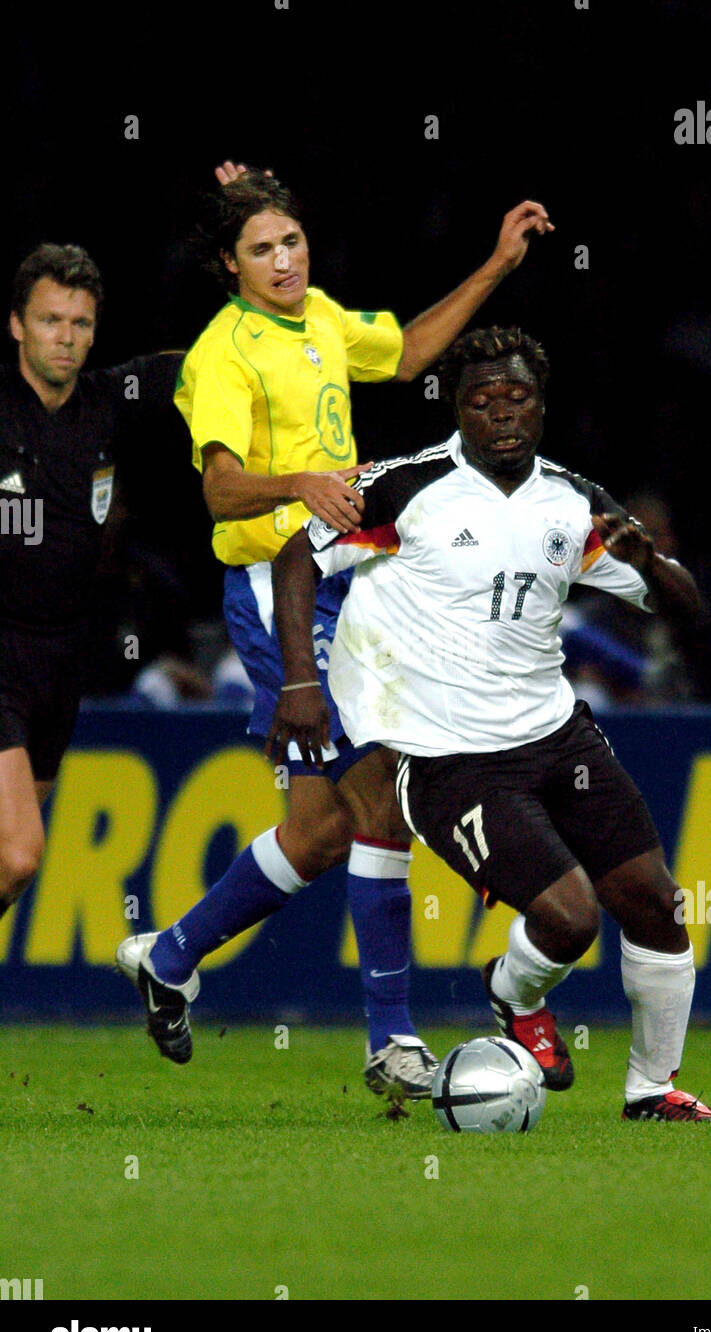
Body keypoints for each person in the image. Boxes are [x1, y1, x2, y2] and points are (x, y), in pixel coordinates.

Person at [116, 169, 554, 1099]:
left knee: (316, 833)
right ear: (228, 266)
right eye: (264, 250)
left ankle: (171, 956)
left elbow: (403, 355)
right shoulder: (222, 354)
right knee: (386, 796)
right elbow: (221, 490)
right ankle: (392, 1041)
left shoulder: (316, 315)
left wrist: (495, 266)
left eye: (293, 242)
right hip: (277, 596)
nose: (284, 261)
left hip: (349, 588)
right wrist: (302, 484)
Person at [269, 325, 711, 1121]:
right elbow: (296, 557)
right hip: (451, 758)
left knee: (654, 902)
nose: (501, 414)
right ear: (457, 408)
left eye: (516, 398)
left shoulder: (574, 502)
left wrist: (649, 561)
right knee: (570, 917)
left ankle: (652, 1092)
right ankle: (513, 995)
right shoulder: (407, 488)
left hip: (557, 736)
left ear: (541, 406)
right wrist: (301, 681)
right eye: (482, 401)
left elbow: (687, 610)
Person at [0, 244, 181, 925]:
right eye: (50, 321)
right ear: (18, 324)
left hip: (60, 662)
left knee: (6, 862)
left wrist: (242, 256)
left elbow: (216, 361)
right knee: (20, 855)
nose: (65, 338)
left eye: (79, 323)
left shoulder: (111, 401)